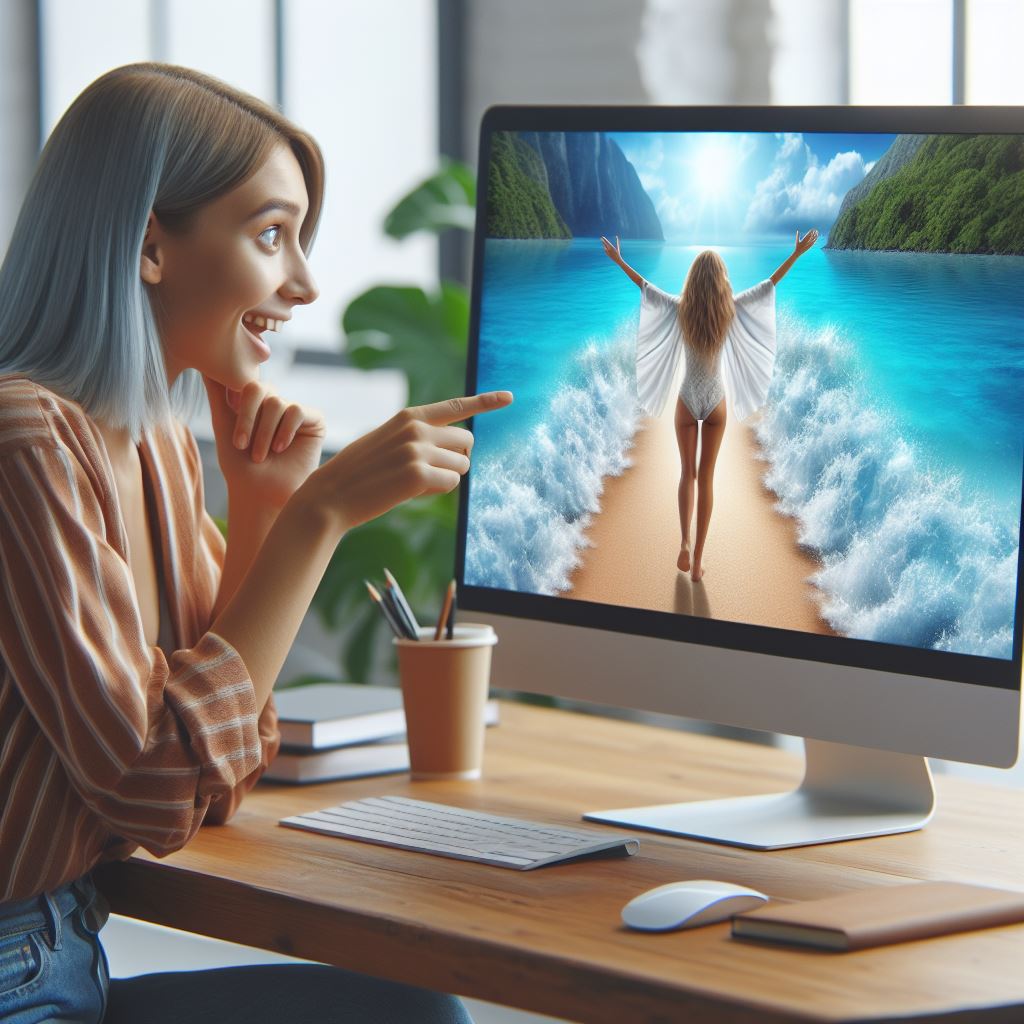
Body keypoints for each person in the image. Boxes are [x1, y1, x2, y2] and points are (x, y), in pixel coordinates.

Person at [0, 63, 511, 1024]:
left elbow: (223, 764)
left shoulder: (152, 437)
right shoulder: (23, 438)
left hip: (63, 947)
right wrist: (316, 517)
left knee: (413, 1012)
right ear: (152, 245)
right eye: (272, 234)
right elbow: (153, 789)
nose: (305, 283)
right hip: (16, 970)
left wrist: (264, 509)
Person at [601, 230, 817, 582]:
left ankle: (684, 543)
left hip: (687, 399)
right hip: (716, 402)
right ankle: (698, 562)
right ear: (721, 280)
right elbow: (769, 284)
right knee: (708, 479)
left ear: (693, 278)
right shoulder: (730, 310)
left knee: (688, 474)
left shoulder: (679, 308)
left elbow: (644, 287)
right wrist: (796, 254)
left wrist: (618, 260)